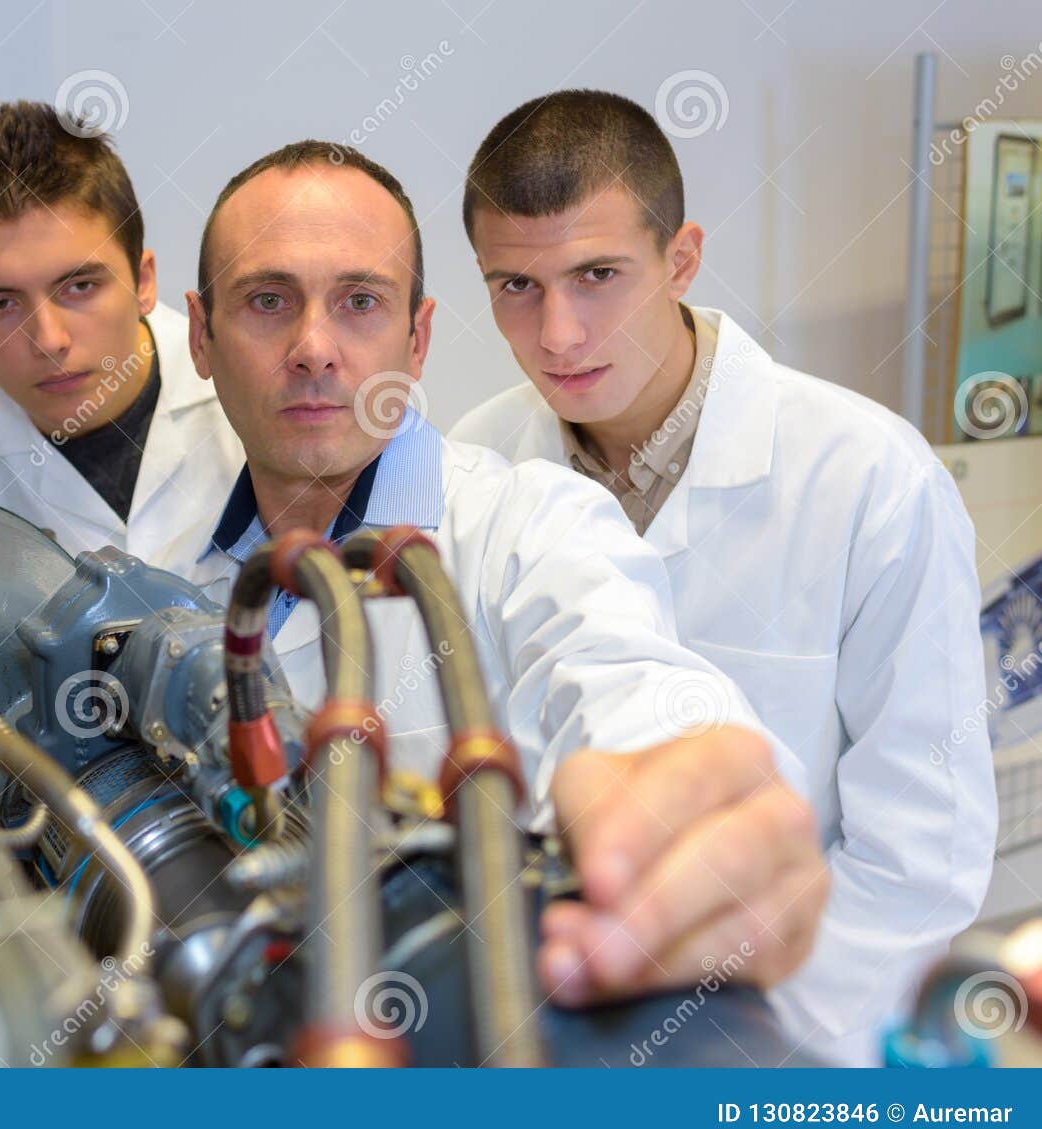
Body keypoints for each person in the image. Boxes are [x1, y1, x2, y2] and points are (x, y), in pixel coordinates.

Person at [149, 140, 830, 1019]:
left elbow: (618, 672)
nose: (314, 349)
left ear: (418, 338)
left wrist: (679, 790)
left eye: (361, 302)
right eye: (268, 301)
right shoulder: (164, 571)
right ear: (202, 336)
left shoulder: (531, 527)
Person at [450, 90, 996, 1063]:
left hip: (791, 1032)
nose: (559, 334)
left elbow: (919, 858)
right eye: (514, 287)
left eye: (598, 274)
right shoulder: (480, 462)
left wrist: (751, 1047)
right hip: (556, 1019)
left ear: (681, 258)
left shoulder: (870, 479)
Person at [0, 100, 242, 557]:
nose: (49, 340)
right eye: (1, 304)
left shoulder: (259, 407)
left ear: (143, 282)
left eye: (79, 286)